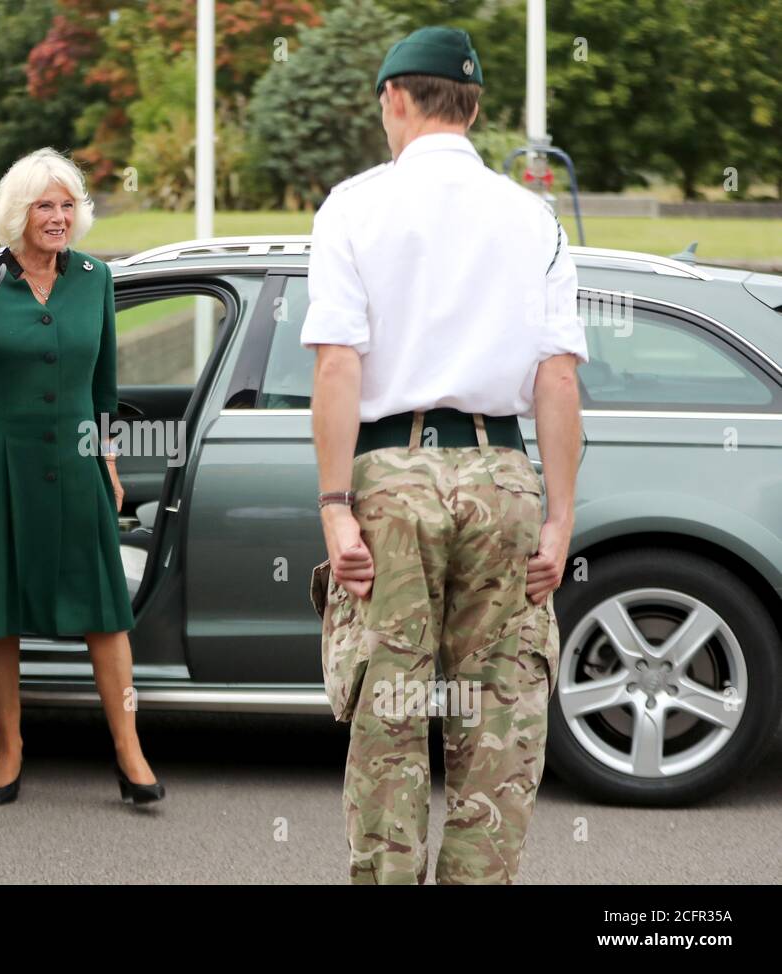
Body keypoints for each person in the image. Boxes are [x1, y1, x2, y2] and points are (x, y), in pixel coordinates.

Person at [303, 27, 586, 884]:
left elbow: (338, 365)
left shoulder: (353, 205)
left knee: (388, 714)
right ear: (474, 107)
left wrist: (334, 504)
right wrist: (560, 516)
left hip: (392, 476)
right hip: (503, 475)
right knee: (499, 718)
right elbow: (558, 379)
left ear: (395, 98)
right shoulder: (530, 214)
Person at [0, 148, 164, 806]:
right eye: (45, 206)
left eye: (68, 205)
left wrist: (110, 459)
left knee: (106, 610)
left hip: (76, 459)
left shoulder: (95, 279)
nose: (59, 217)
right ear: (18, 213)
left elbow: (105, 386)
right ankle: (10, 749)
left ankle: (129, 749)